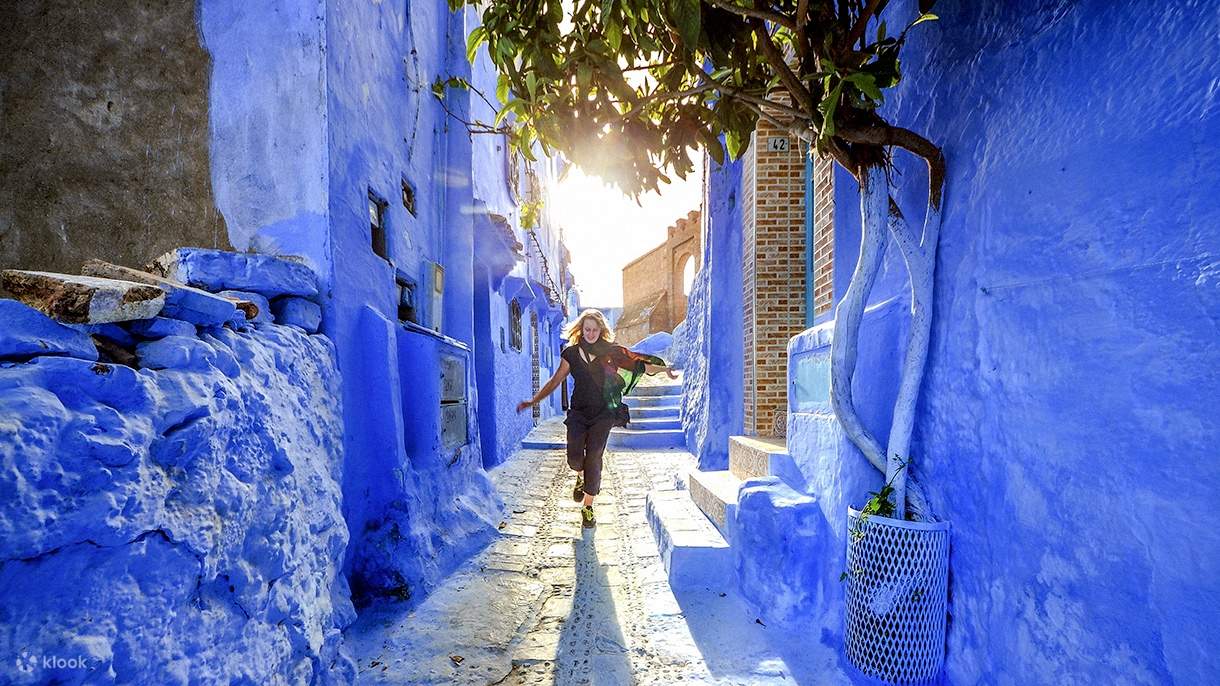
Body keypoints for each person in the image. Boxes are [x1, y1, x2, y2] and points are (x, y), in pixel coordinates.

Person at [517, 309, 677, 528]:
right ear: (581, 330)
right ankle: (580, 476)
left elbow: (639, 364)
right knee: (574, 458)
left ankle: (588, 506)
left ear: (601, 330)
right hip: (579, 412)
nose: (590, 333)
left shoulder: (611, 352)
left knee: (594, 456)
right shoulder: (571, 354)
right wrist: (533, 401)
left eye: (594, 329)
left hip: (603, 413)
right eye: (587, 329)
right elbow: (555, 381)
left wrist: (663, 369)